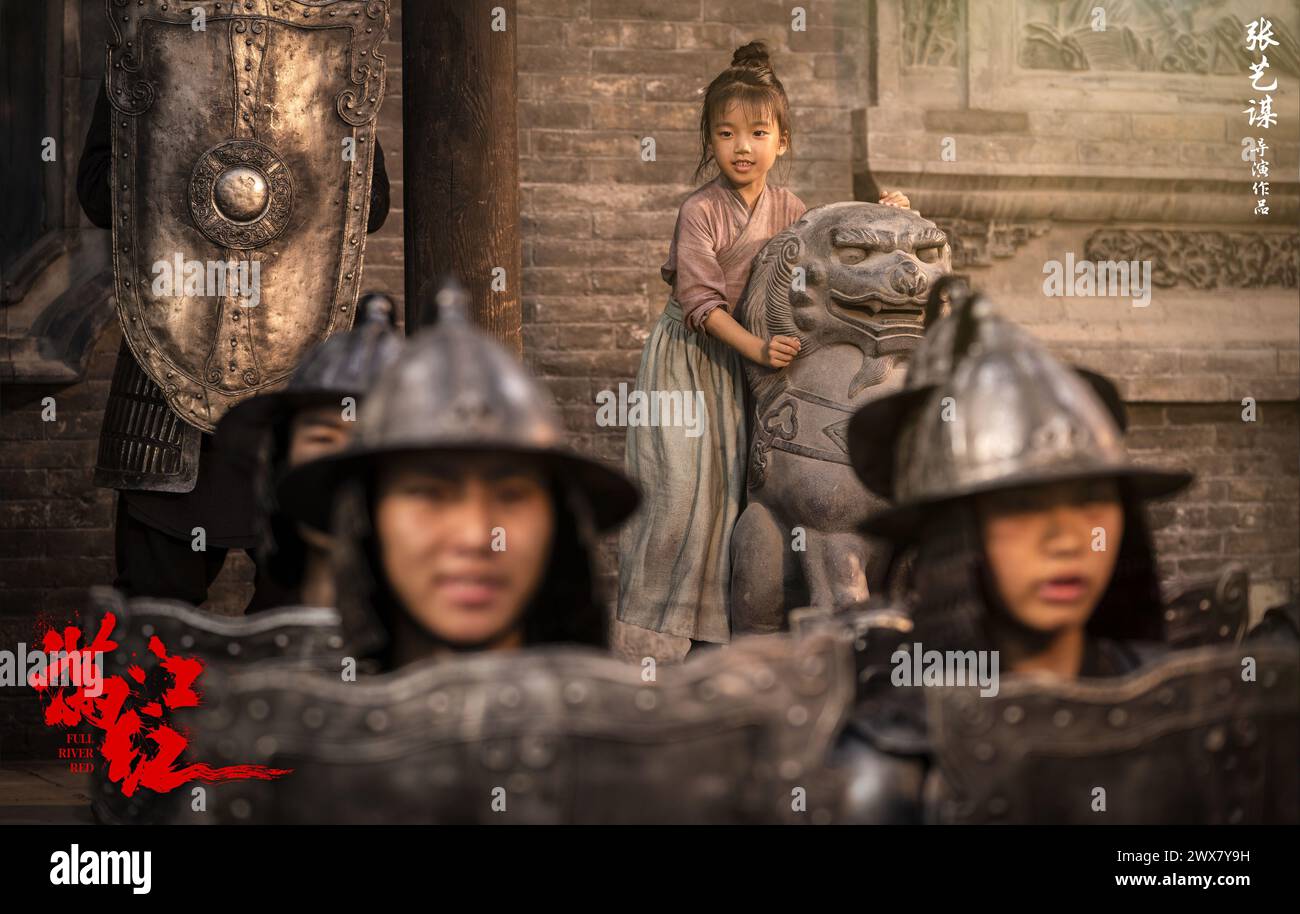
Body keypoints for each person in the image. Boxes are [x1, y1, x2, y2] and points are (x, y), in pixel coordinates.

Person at [831, 291, 1196, 821]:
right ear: (954, 535)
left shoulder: (1182, 709)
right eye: (1021, 507)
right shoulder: (888, 756)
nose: (1069, 540)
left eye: (1092, 499)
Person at [617, 40, 911, 649]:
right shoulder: (699, 212)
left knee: (730, 498)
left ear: (782, 142)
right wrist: (755, 348)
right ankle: (660, 633)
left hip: (756, 369)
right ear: (709, 141)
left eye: (757, 133)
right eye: (726, 134)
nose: (742, 147)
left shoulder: (790, 208)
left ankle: (716, 636)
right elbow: (701, 306)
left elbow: (832, 244)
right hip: (695, 362)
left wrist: (885, 214)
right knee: (680, 498)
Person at [76, 77, 391, 609]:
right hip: (172, 364)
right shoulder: (153, 48)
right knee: (155, 618)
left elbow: (371, 201)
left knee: (297, 616)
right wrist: (196, 158)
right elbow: (97, 191)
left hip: (292, 365)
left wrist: (284, 166)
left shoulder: (321, 63)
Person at [276, 281, 639, 668]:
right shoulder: (284, 719)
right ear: (367, 517)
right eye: (429, 494)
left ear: (559, 520)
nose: (476, 537)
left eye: (512, 495)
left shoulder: (630, 724)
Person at [213, 294, 402, 611]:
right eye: (324, 438)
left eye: (374, 439)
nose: (345, 462)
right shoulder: (253, 652)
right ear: (282, 457)